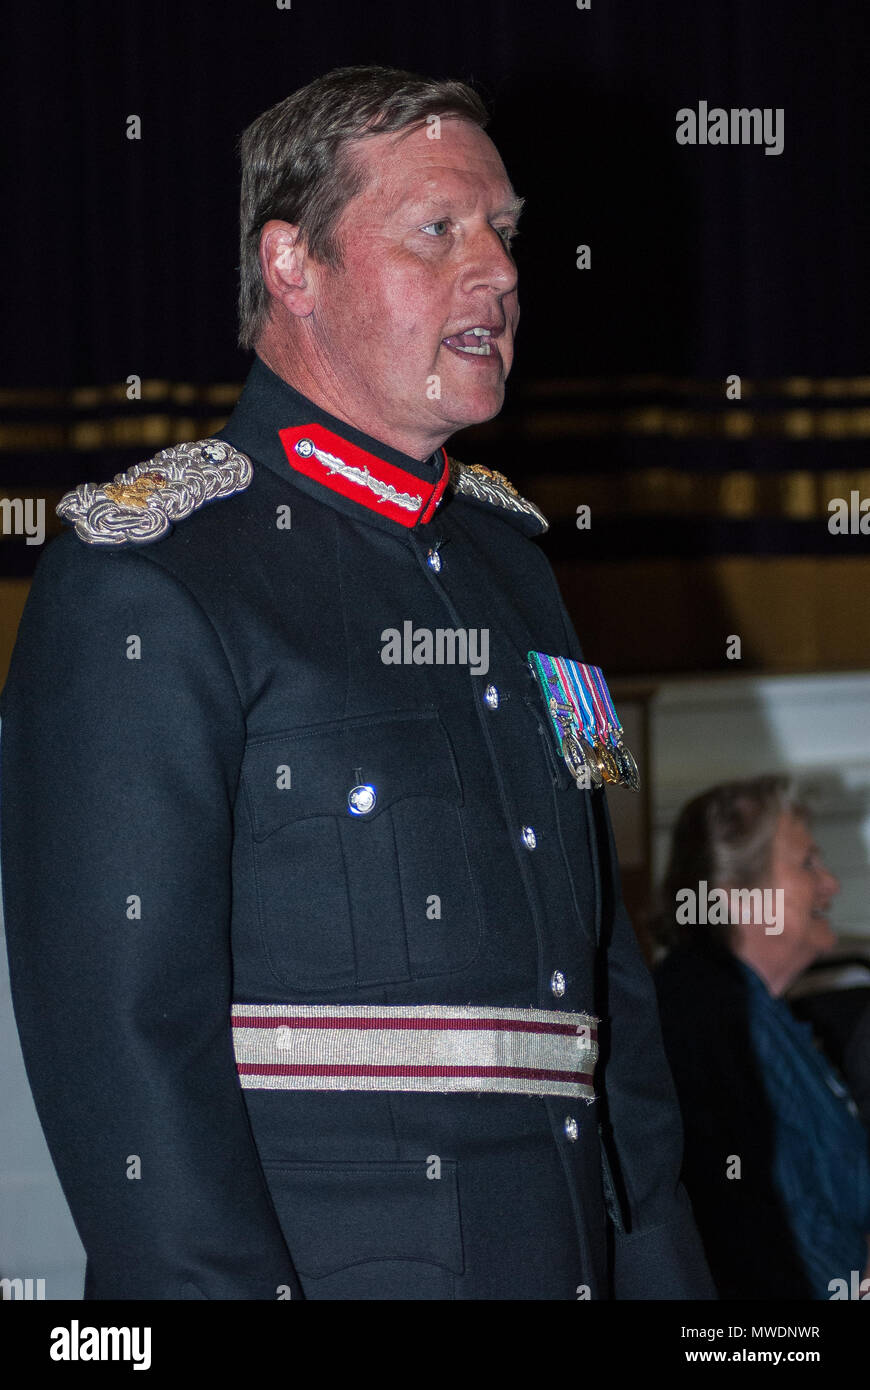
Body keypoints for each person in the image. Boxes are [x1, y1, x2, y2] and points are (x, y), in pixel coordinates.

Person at [0, 64, 713, 1300]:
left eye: (504, 232)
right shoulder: (150, 576)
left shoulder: (521, 574)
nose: (495, 269)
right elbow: (124, 1048)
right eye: (439, 231)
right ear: (293, 267)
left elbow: (609, 1001)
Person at [654, 775, 870, 1299]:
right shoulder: (705, 1019)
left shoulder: (763, 1013)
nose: (831, 884)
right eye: (807, 864)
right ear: (737, 899)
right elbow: (764, 1229)